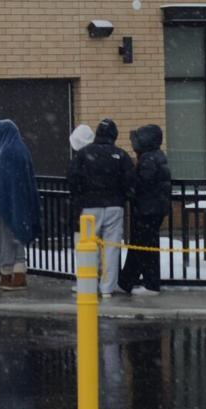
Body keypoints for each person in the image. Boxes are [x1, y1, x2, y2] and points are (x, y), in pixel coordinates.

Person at [67, 118, 133, 298]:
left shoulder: (83, 154)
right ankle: (107, 288)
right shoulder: (121, 155)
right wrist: (122, 196)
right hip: (115, 207)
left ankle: (88, 284)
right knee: (112, 248)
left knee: (88, 246)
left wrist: (81, 196)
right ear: (115, 135)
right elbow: (129, 182)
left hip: (88, 207)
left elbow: (72, 180)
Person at [0, 119, 41, 291]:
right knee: (18, 235)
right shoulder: (21, 149)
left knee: (4, 237)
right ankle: (19, 272)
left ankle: (6, 273)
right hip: (21, 201)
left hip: (1, 202)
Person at [118, 124, 170, 295]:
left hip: (147, 210)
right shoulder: (157, 156)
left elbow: (141, 184)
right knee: (148, 246)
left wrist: (129, 185)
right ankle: (148, 282)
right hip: (155, 208)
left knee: (140, 246)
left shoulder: (148, 159)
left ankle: (129, 281)